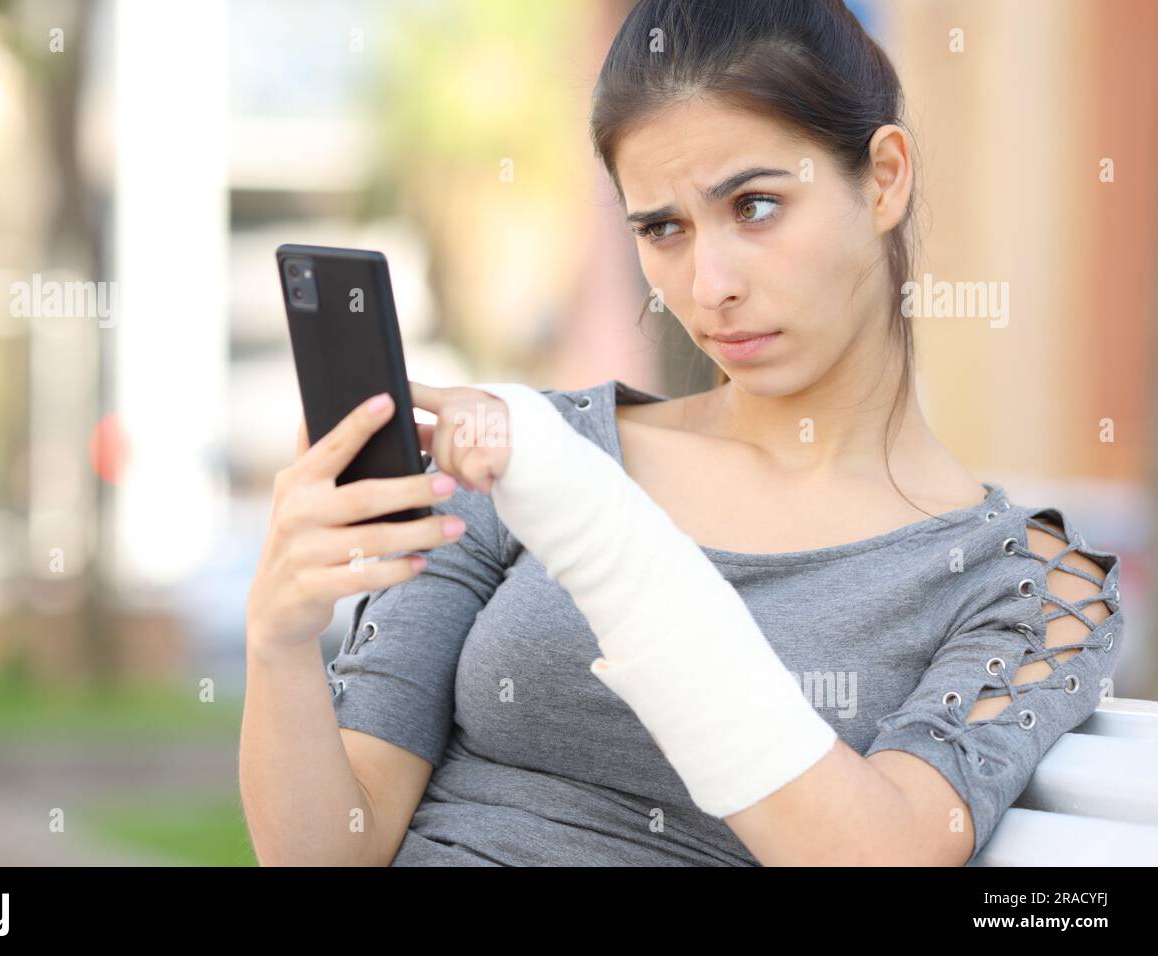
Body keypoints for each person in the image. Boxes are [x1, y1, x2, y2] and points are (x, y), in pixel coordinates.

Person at [239, 0, 1125, 866]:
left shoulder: (1035, 591)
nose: (708, 285)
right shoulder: (532, 456)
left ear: (884, 177)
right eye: (663, 228)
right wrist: (278, 638)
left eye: (756, 206)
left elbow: (878, 856)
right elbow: (328, 851)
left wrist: (590, 522)